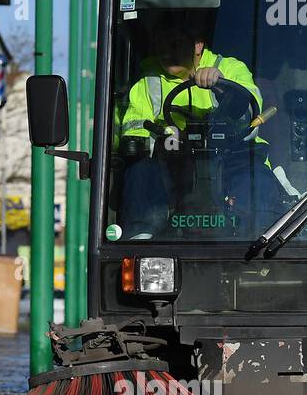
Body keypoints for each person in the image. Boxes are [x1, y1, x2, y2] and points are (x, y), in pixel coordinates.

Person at [118, 15, 281, 239]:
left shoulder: (230, 68)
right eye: (162, 43)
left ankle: (260, 242)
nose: (168, 50)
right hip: (175, 163)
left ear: (198, 45)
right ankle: (141, 241)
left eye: (176, 43)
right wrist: (158, 138)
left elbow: (250, 115)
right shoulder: (148, 81)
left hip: (232, 158)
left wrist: (223, 88)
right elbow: (134, 129)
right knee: (141, 172)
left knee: (256, 177)